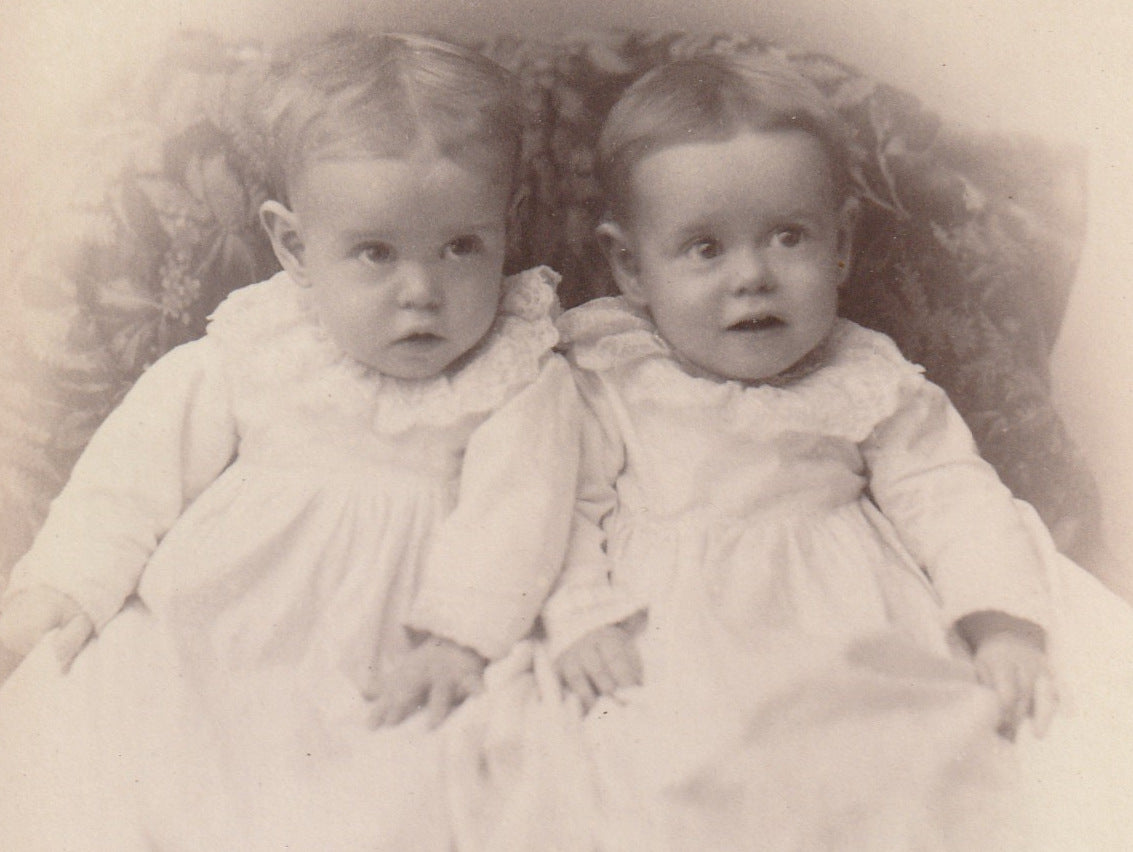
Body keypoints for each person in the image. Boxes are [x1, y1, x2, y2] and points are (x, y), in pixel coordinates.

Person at [446, 52, 1133, 851]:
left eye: (786, 238)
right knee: (652, 772)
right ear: (631, 265)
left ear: (839, 246)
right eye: (705, 248)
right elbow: (554, 506)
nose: (753, 278)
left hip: (845, 621)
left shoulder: (868, 377)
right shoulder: (604, 370)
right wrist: (579, 618)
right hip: (668, 631)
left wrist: (1000, 622)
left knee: (918, 760)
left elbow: (951, 491)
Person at [0, 31, 579, 851]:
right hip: (233, 619)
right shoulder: (258, 348)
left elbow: (526, 509)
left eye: (460, 247)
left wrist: (461, 637)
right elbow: (132, 474)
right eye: (375, 253)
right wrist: (65, 587)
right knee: (128, 729)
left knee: (413, 782)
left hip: (414, 632)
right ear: (295, 245)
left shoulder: (520, 368)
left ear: (506, 229)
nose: (422, 294)